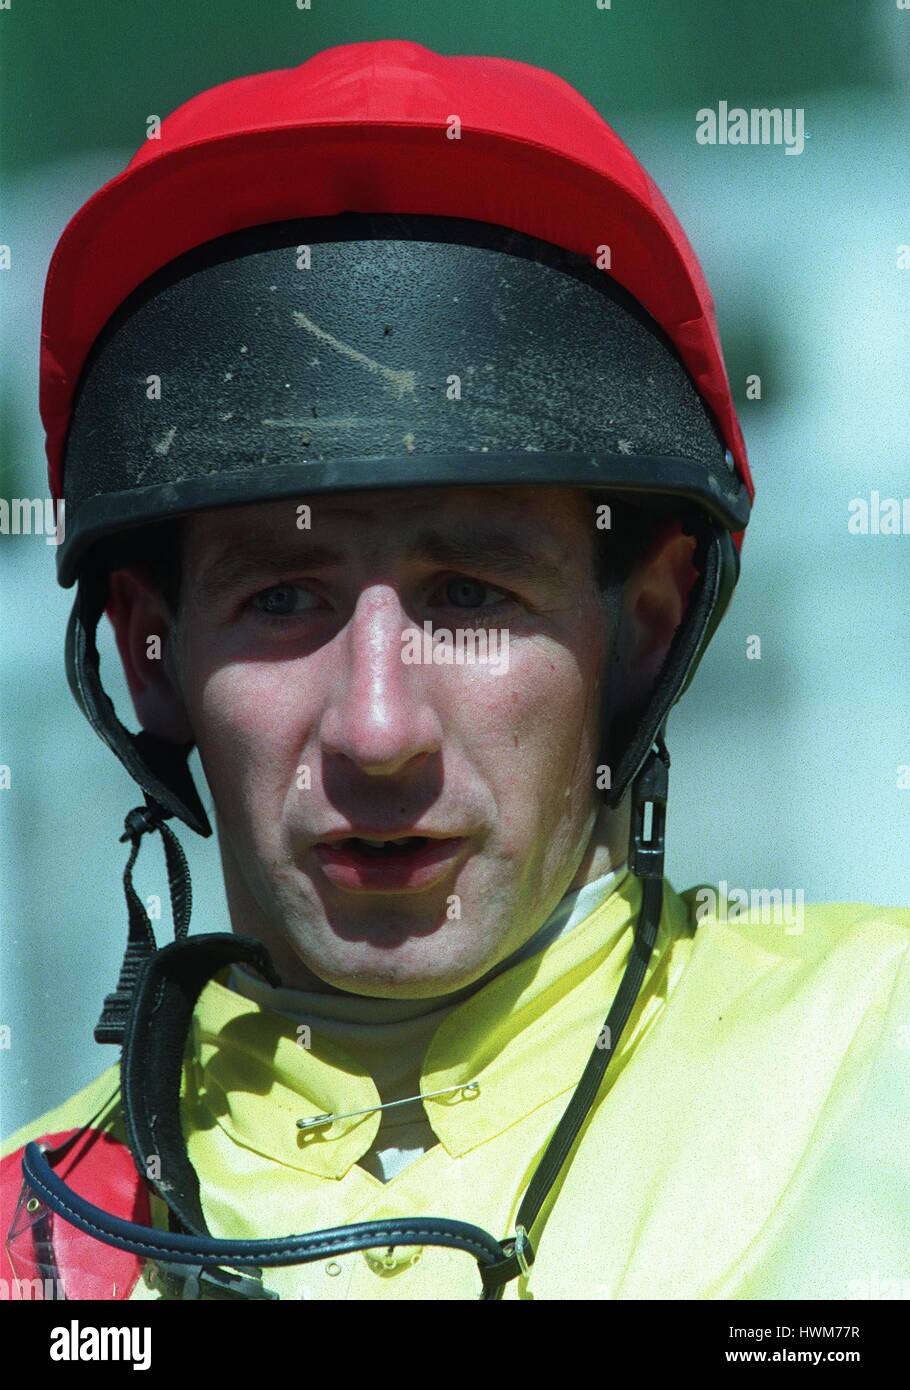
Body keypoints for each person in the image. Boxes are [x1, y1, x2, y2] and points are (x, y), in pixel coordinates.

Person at [2, 39, 908, 1303]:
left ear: (643, 626)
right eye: (282, 601)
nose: (379, 730)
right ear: (150, 660)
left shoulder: (887, 1062)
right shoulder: (30, 1246)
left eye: (470, 596)